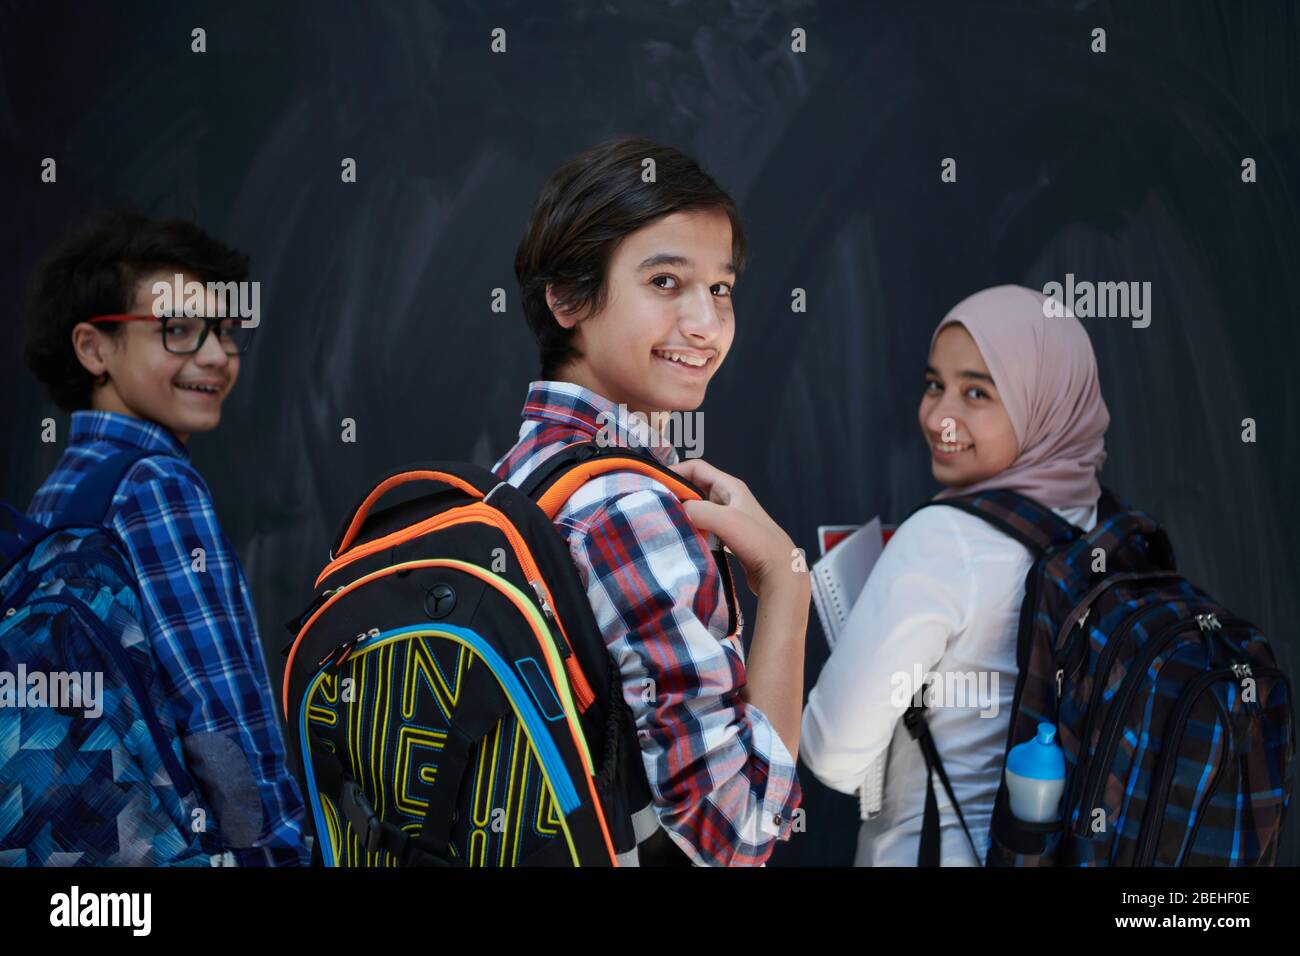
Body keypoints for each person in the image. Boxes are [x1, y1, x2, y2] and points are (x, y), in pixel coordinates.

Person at [493, 136, 809, 865]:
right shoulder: (629, 510)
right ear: (567, 297)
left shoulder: (516, 476)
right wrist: (788, 587)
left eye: (721, 288)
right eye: (666, 283)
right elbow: (735, 835)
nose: (706, 324)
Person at [22, 209, 309, 865]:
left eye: (223, 333)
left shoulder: (63, 490)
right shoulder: (156, 486)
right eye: (177, 331)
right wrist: (281, 850)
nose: (215, 356)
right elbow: (222, 720)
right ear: (94, 348)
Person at [800, 285, 1110, 866]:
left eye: (977, 392)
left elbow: (832, 753)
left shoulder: (945, 538)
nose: (940, 415)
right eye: (935, 386)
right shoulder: (1103, 529)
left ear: (1041, 400)